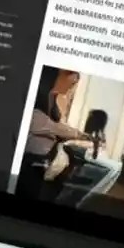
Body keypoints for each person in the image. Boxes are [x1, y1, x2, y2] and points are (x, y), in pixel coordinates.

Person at [17, 68, 97, 201]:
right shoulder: (38, 95)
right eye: (73, 82)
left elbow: (58, 126)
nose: (73, 87)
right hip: (31, 160)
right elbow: (51, 126)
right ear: (63, 73)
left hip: (45, 158)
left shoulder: (53, 96)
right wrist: (81, 135)